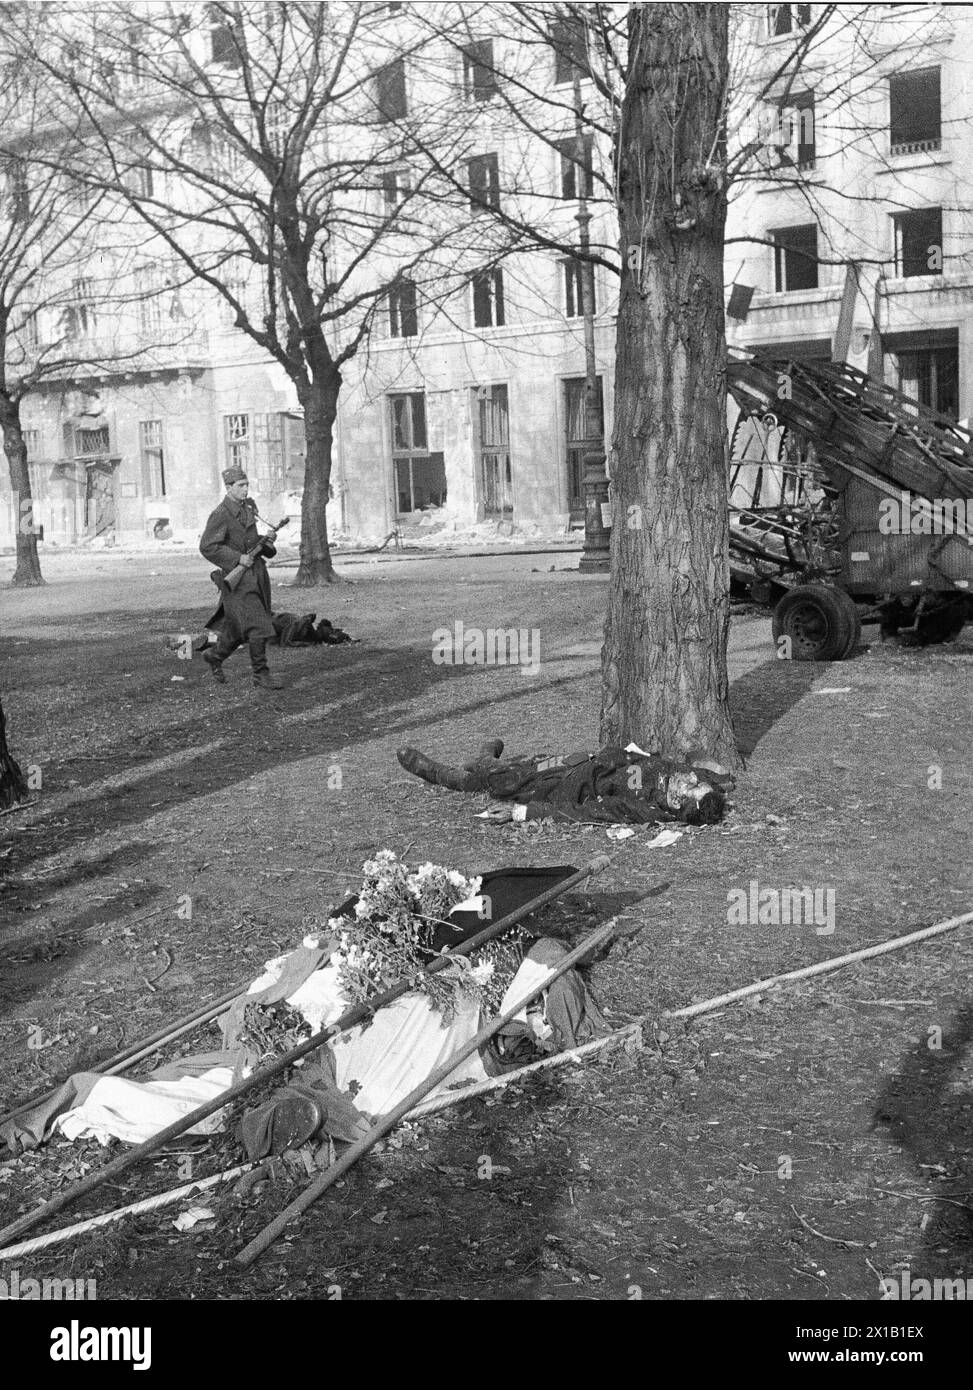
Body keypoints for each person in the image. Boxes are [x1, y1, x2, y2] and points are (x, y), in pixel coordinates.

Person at [199, 466, 282, 690]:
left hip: (256, 574)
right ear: (228, 488)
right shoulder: (221, 514)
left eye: (246, 485)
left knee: (237, 629)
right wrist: (237, 558)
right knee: (258, 625)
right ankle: (260, 674)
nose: (245, 490)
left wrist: (267, 540)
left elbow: (251, 540)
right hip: (238, 579)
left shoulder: (249, 508)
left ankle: (215, 656)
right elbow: (207, 547)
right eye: (240, 486)